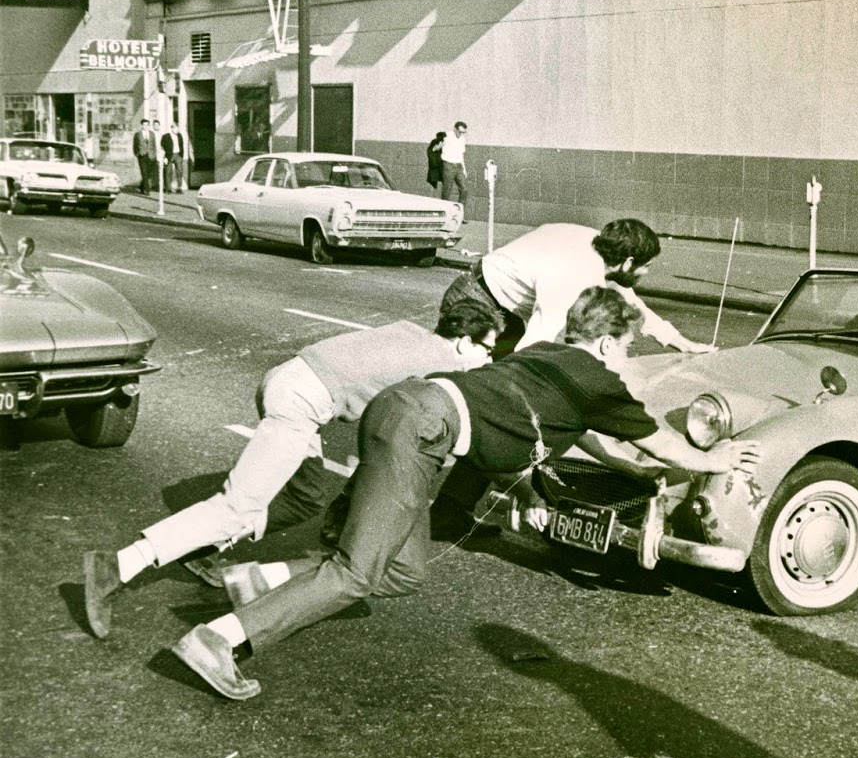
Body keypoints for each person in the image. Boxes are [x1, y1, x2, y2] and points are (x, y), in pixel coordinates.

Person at [165, 287, 762, 701]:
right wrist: (716, 457)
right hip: (421, 430)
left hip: (401, 409)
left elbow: (594, 442)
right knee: (354, 573)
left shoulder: (543, 357)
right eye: (629, 346)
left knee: (401, 572)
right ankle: (217, 640)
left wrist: (633, 475)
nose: (627, 358)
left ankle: (250, 584)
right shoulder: (600, 380)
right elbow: (664, 444)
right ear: (610, 343)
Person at [81, 299, 502, 639]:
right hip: (299, 402)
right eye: (487, 348)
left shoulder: (412, 333)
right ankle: (117, 565)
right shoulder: (439, 365)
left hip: (285, 380)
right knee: (237, 508)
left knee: (308, 494)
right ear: (464, 342)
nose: (487, 359)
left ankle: (198, 546)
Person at [441, 218, 713, 355]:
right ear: (628, 262)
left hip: (501, 306)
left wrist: (683, 344)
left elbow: (633, 306)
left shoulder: (600, 245)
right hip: (474, 301)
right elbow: (536, 342)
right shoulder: (572, 275)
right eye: (646, 266)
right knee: (463, 383)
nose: (646, 273)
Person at [438, 120, 468, 204]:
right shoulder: (446, 136)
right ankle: (445, 211)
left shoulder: (462, 139)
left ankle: (460, 212)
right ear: (455, 129)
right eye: (460, 132)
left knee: (464, 190)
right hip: (448, 166)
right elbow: (437, 147)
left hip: (458, 166)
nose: (461, 134)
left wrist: (464, 170)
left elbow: (461, 155)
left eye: (463, 132)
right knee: (446, 191)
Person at [160, 124, 193, 193]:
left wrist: (181, 156)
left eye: (178, 128)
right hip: (169, 155)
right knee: (168, 171)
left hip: (178, 155)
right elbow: (162, 147)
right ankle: (168, 188)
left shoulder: (179, 136)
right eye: (176, 128)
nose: (177, 130)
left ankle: (179, 187)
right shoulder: (166, 136)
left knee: (179, 171)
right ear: (172, 128)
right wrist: (164, 157)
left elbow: (182, 145)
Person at [133, 120, 158, 195]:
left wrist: (154, 154)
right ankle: (147, 190)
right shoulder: (138, 134)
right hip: (142, 155)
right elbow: (134, 145)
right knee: (144, 172)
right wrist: (137, 154)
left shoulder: (152, 134)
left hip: (151, 156)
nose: (145, 126)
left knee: (149, 173)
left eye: (147, 125)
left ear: (149, 125)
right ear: (142, 126)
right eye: (144, 125)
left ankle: (141, 186)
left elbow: (154, 145)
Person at [425, 131, 447, 196]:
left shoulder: (434, 141)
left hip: (434, 166)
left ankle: (433, 198)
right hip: (439, 166)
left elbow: (430, 152)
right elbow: (432, 151)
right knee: (441, 184)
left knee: (433, 184)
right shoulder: (441, 142)